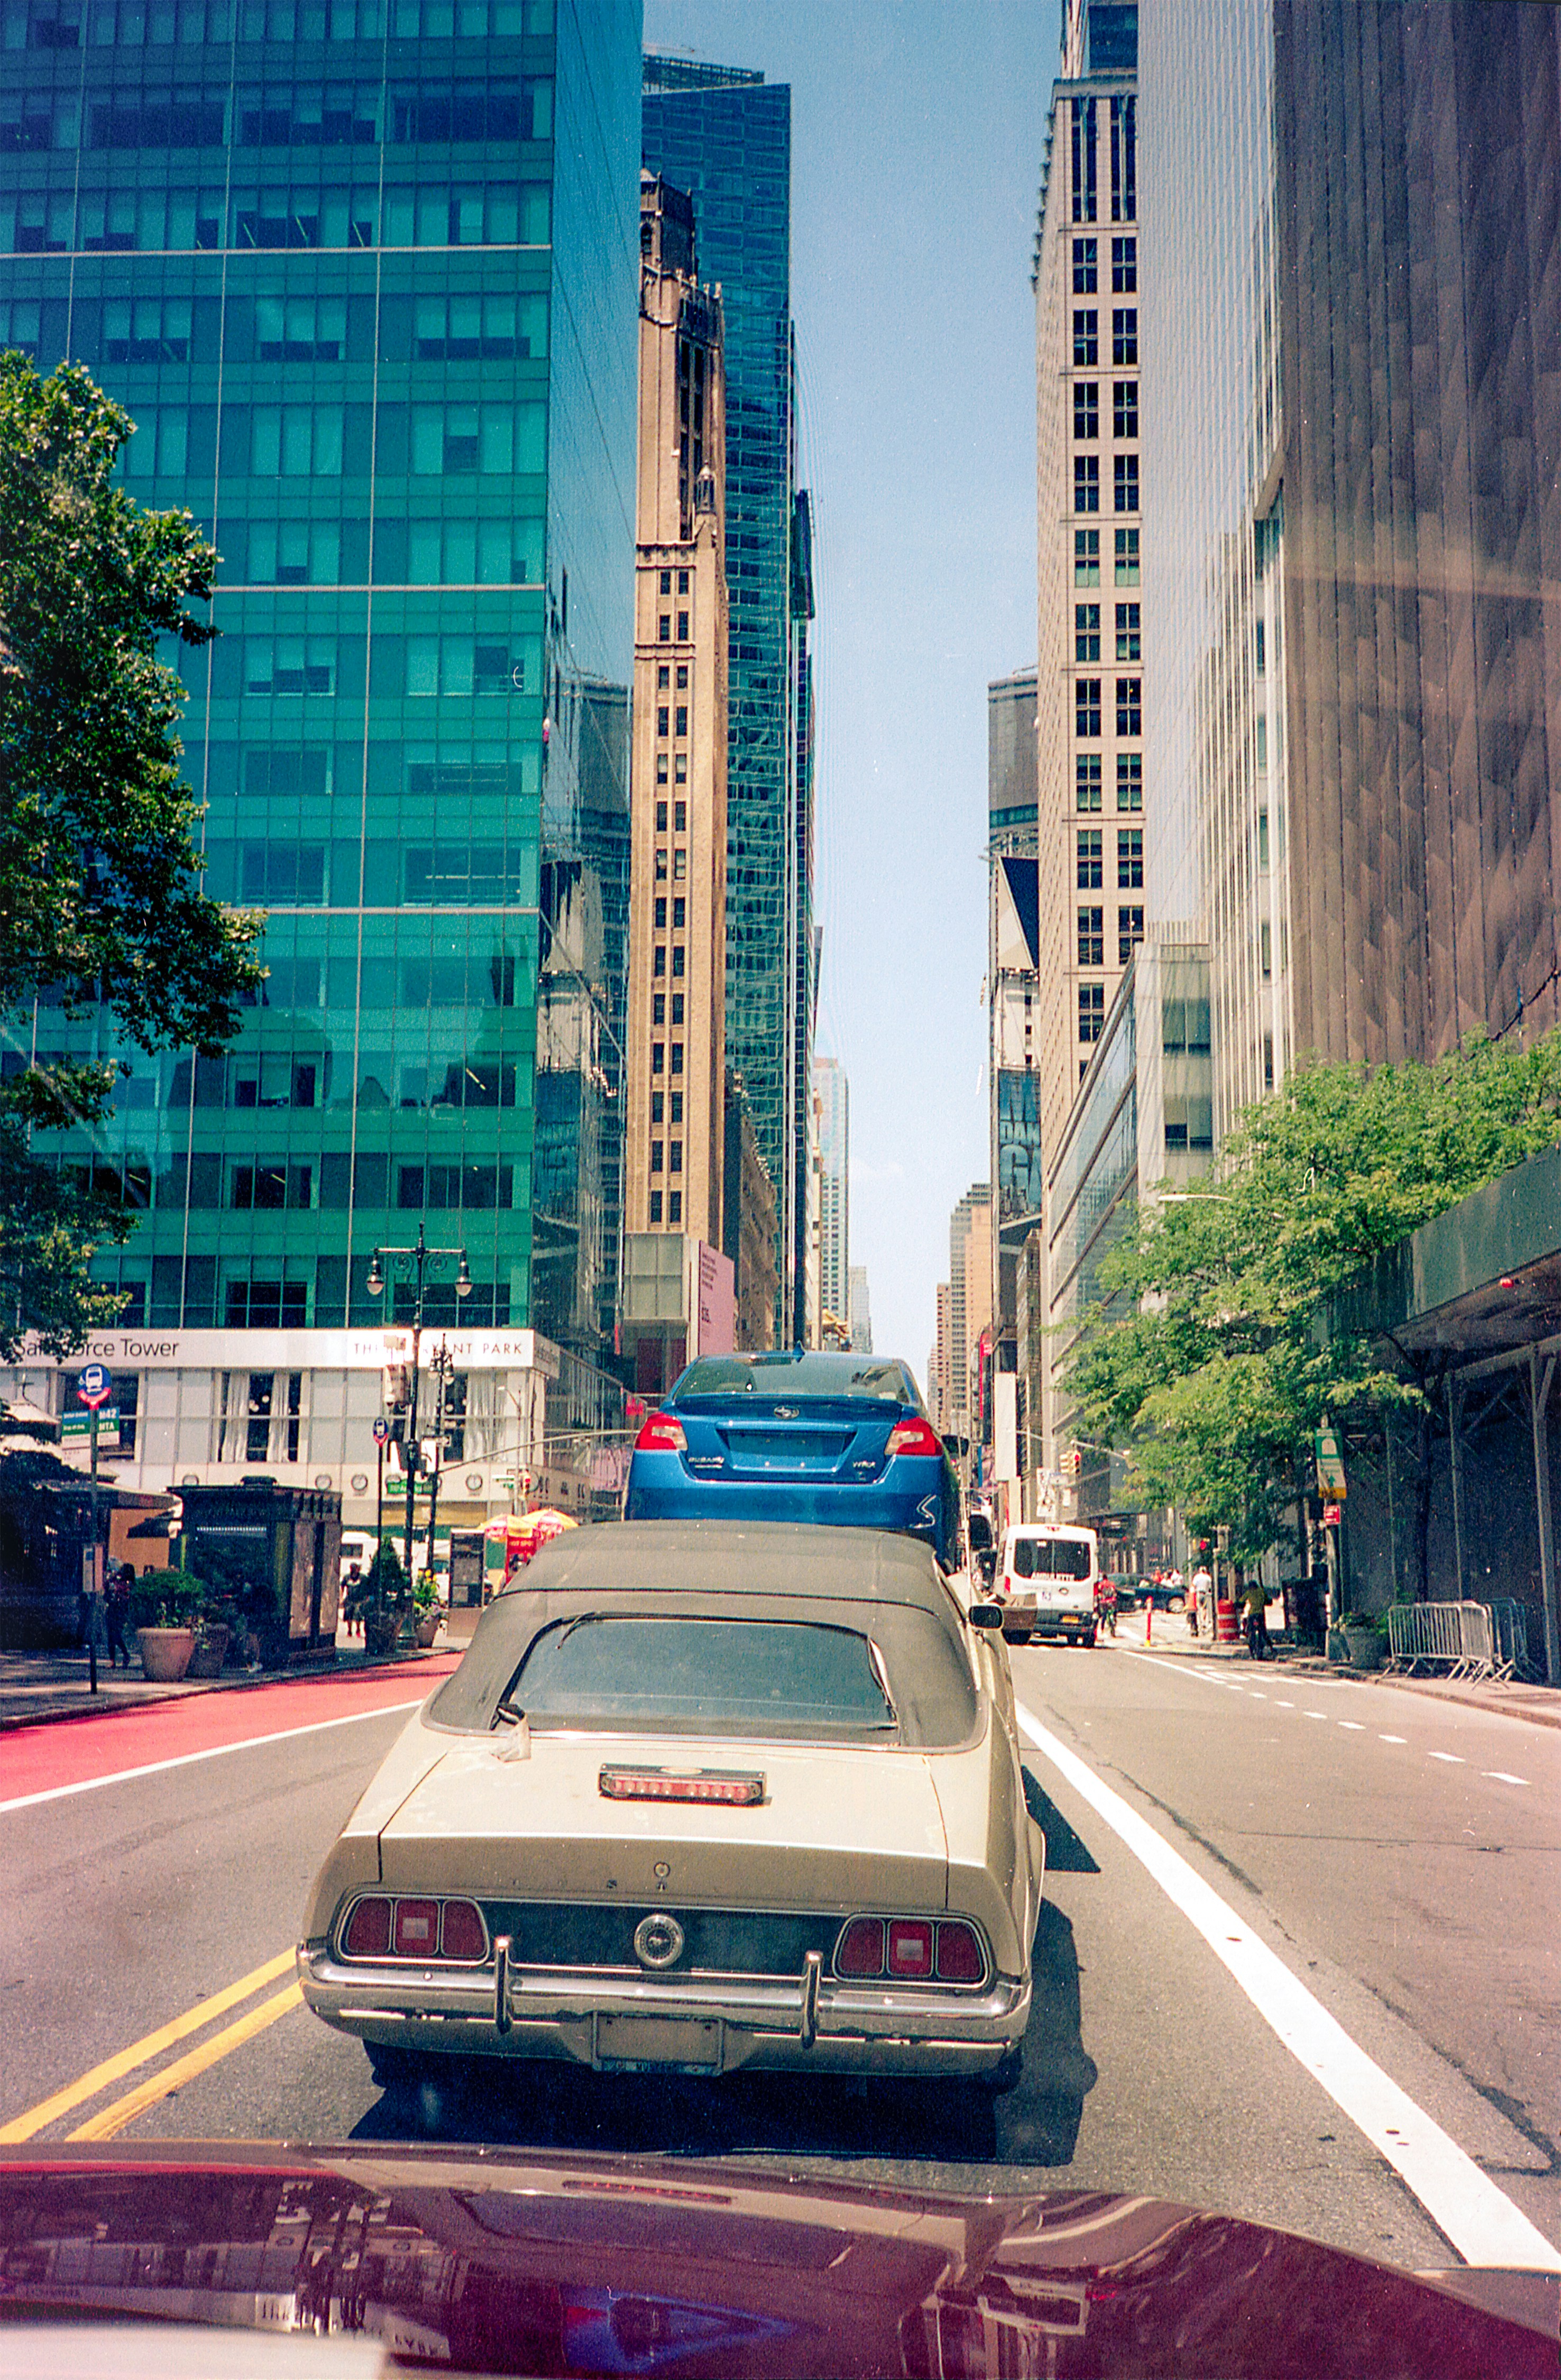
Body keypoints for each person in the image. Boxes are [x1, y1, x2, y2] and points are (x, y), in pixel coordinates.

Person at [105, 1562, 133, 1670]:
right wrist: (113, 1576)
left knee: (116, 1635)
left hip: (120, 1611)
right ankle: (112, 1660)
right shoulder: (117, 1580)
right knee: (110, 1636)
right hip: (112, 1609)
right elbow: (107, 1585)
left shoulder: (128, 1584)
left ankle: (126, 1654)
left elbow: (126, 1598)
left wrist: (119, 1593)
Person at [1240, 1575, 1268, 1659]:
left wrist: (1239, 1603)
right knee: (1263, 1631)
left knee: (1251, 1630)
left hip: (1252, 1615)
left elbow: (1241, 1600)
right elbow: (1268, 1599)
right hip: (1260, 1614)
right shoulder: (1261, 1591)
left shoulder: (1249, 1592)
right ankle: (1266, 1643)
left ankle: (1252, 1644)